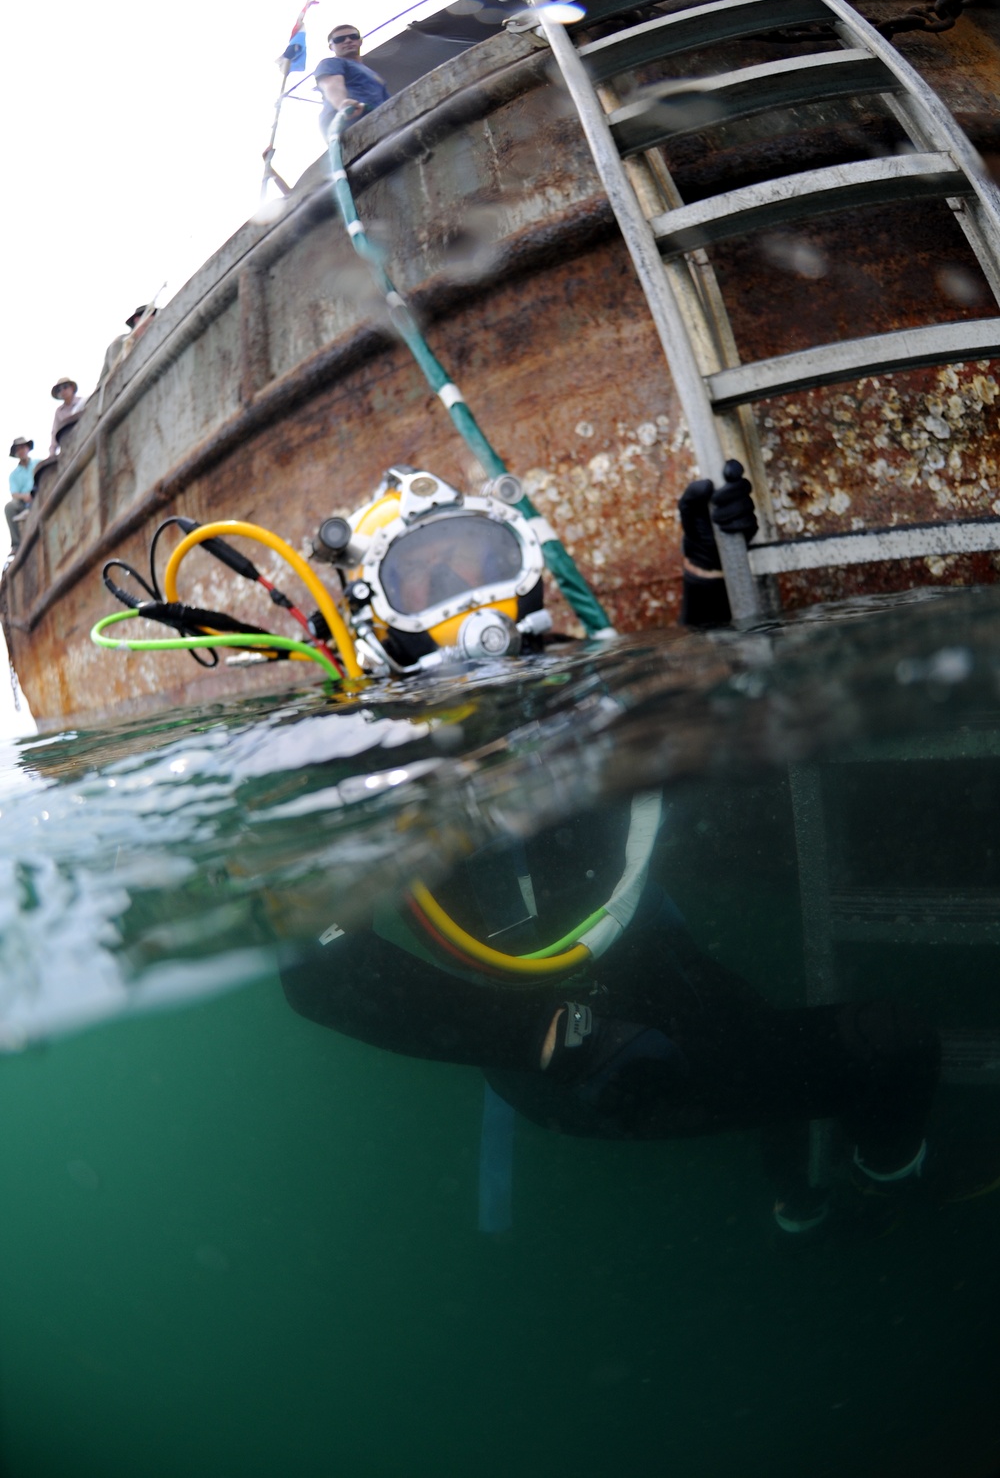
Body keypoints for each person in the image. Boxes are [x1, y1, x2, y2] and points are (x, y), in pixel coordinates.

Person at [276, 461, 943, 1239]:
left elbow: (695, 697)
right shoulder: (361, 752)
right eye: (425, 578)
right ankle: (887, 1195)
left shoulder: (572, 672)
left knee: (788, 1066)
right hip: (563, 1052)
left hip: (664, 965)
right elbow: (321, 976)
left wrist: (707, 570)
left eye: (483, 560)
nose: (469, 595)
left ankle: (800, 1206)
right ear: (376, 613)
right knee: (891, 1047)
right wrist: (539, 1039)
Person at [314, 24, 390, 137]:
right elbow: (331, 85)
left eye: (353, 37)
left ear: (360, 41)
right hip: (348, 122)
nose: (348, 40)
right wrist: (342, 104)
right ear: (331, 46)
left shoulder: (373, 75)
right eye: (339, 39)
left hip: (379, 122)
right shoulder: (331, 63)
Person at [99, 305, 159, 385]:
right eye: (152, 314)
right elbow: (118, 373)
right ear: (137, 320)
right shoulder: (121, 342)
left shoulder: (150, 343)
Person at [5, 437, 37, 552]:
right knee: (9, 507)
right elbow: (14, 494)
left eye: (22, 447)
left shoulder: (38, 463)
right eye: (18, 449)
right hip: (24, 503)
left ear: (27, 448)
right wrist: (25, 496)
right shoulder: (14, 475)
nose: (21, 451)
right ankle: (16, 545)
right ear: (15, 453)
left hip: (40, 494)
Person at [49, 378, 85, 456]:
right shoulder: (59, 411)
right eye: (59, 390)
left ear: (72, 388)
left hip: (84, 438)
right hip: (69, 446)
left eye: (65, 387)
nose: (63, 391)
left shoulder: (82, 402)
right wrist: (52, 452)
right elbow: (55, 432)